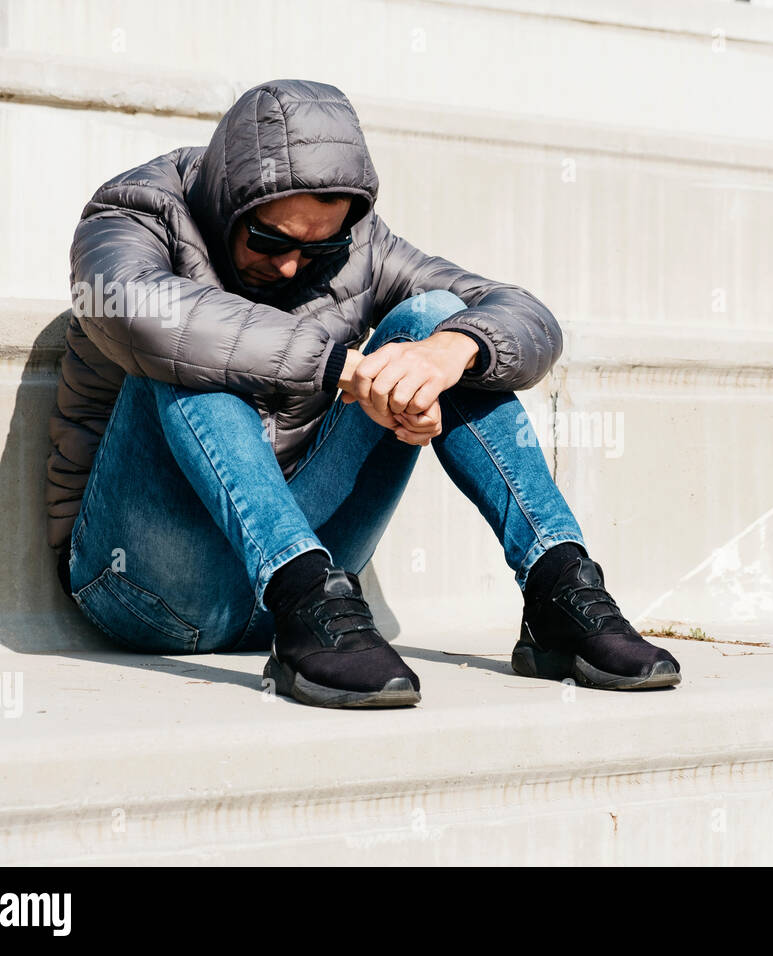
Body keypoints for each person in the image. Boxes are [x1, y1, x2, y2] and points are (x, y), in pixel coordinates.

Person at [46, 78, 680, 707]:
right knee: (187, 352)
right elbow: (131, 305)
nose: (293, 266)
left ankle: (557, 588)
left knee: (439, 318)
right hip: (147, 586)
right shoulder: (140, 207)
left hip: (313, 603)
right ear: (227, 201)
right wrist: (344, 368)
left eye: (318, 247)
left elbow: (525, 315)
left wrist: (452, 351)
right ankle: (299, 589)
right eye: (271, 240)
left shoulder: (364, 246)